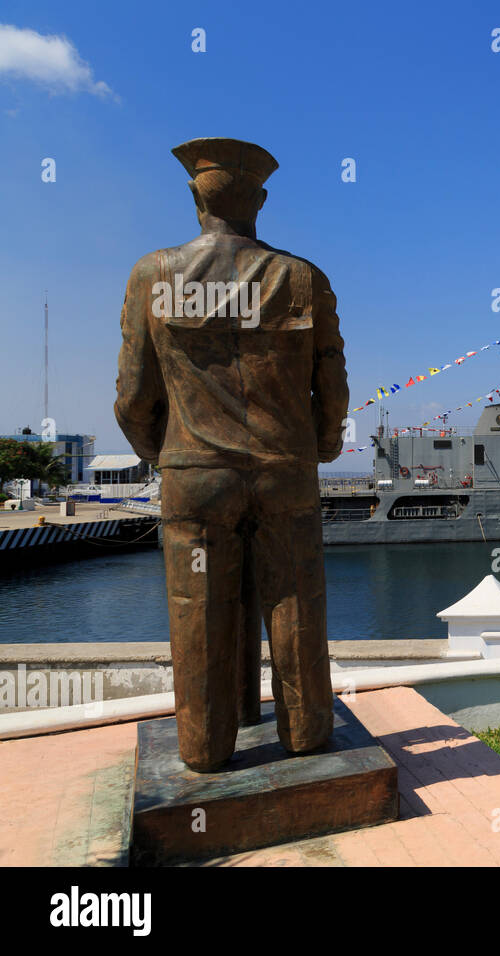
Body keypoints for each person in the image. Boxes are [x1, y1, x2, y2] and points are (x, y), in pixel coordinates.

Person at [115, 138, 348, 771]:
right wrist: (318, 448)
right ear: (261, 201)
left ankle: (205, 748)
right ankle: (306, 734)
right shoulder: (302, 277)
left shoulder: (153, 275)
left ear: (195, 196)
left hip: (194, 476)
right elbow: (331, 387)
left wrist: (166, 454)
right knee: (296, 599)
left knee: (199, 610)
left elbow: (135, 397)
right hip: (286, 473)